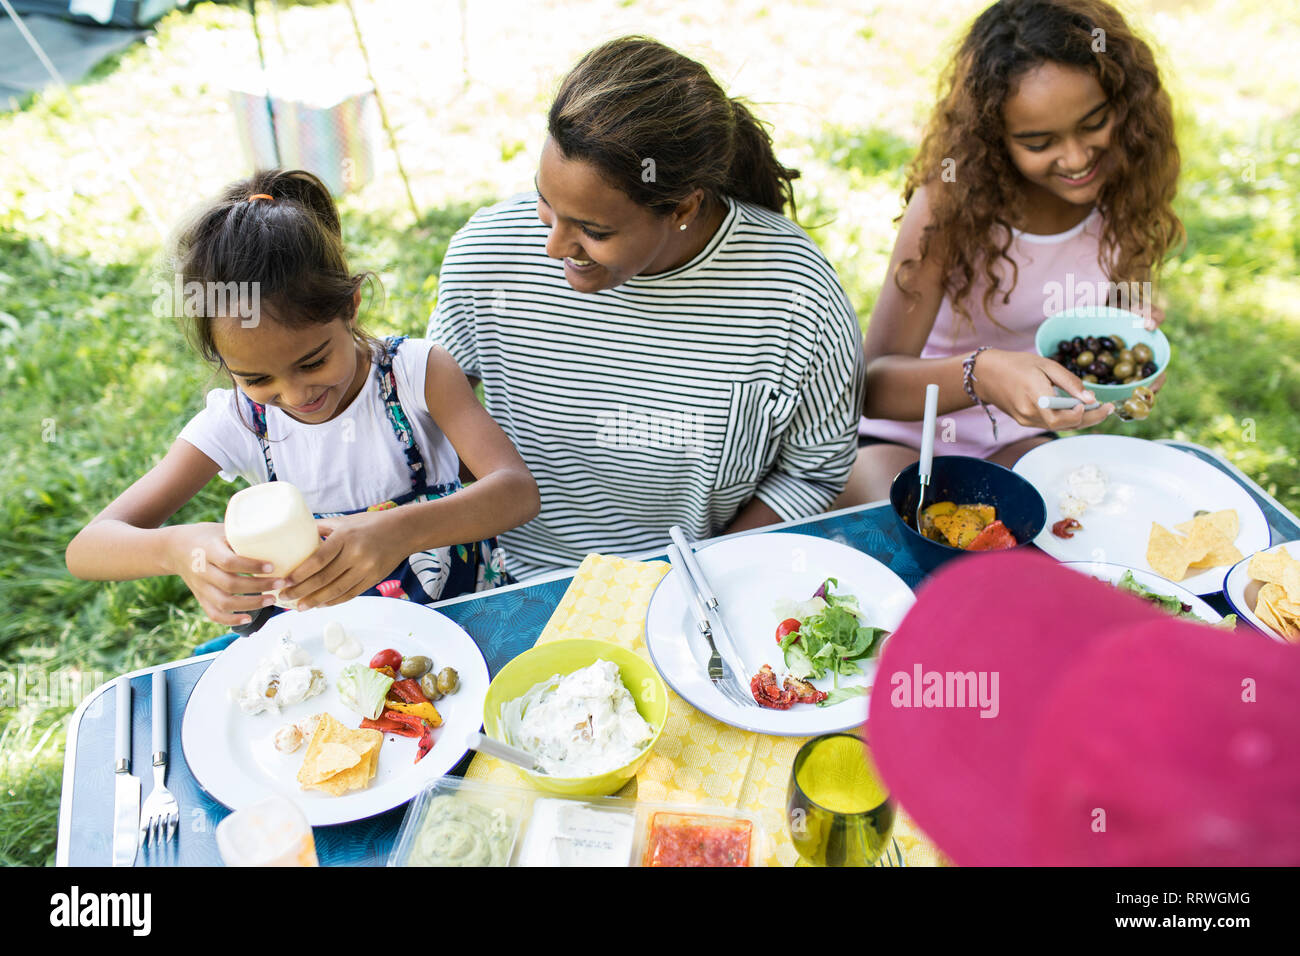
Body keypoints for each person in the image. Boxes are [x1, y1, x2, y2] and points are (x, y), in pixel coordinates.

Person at [428, 36, 865, 580]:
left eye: (593, 229)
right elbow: (428, 424)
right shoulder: (487, 256)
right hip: (516, 578)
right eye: (545, 199)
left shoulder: (795, 293)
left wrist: (704, 577)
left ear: (683, 206)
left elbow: (812, 473)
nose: (554, 246)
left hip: (702, 583)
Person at [66, 169, 539, 635]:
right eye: (255, 377)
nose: (294, 395)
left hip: (464, 624)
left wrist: (401, 530)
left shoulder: (418, 373)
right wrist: (180, 548)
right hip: (326, 652)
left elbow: (515, 493)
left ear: (350, 306)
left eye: (312, 362)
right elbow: (88, 547)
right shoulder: (237, 422)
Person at [837, 0, 1181, 506]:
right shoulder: (950, 204)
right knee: (915, 524)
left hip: (1019, 440)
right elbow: (874, 385)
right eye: (1039, 142)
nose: (1077, 157)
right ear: (994, 140)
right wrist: (983, 374)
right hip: (909, 436)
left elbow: (1107, 334)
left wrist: (1126, 371)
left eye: (1094, 123)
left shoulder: (1125, 191)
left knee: (1052, 538)